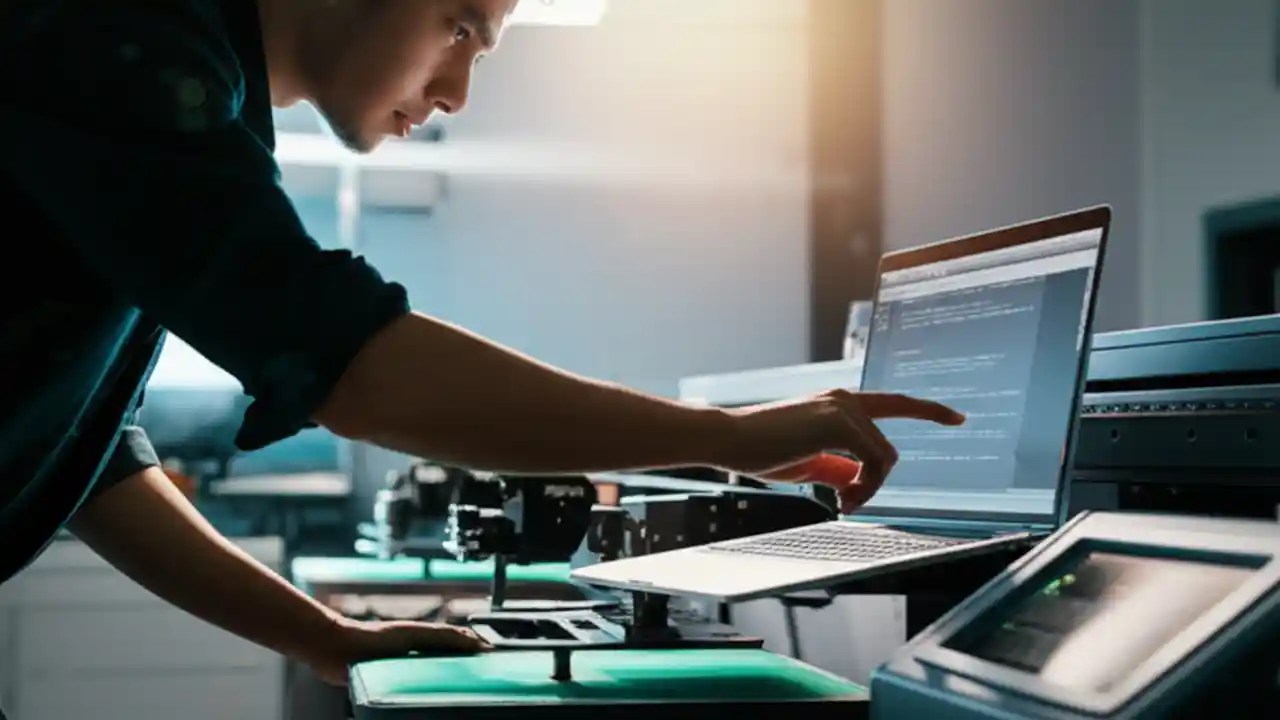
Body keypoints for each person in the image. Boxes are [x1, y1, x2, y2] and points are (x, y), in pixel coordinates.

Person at [0, 0, 966, 702]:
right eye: (460, 26)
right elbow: (355, 366)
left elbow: (92, 456)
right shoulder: (118, 36)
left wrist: (326, 636)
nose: (457, 91)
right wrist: (727, 438)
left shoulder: (184, 97)